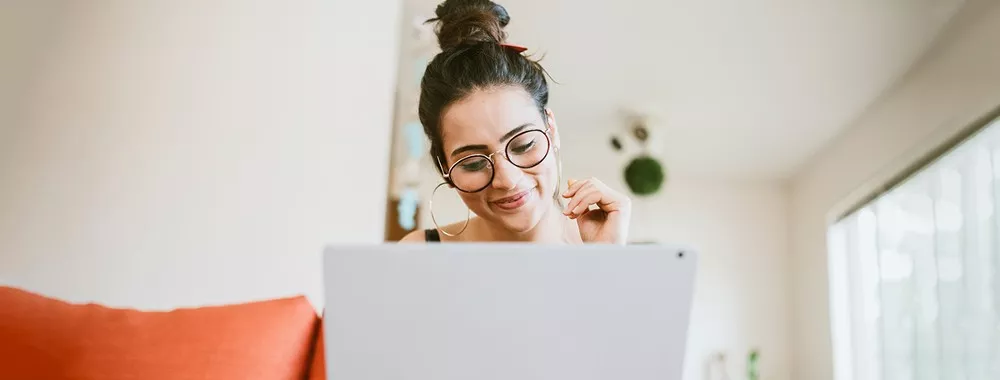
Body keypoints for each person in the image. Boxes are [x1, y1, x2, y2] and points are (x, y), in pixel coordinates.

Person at [401, 0, 631, 244]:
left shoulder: (605, 243)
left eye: (524, 145)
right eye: (473, 163)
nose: (507, 180)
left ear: (551, 130)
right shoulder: (418, 252)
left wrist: (604, 260)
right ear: (444, 168)